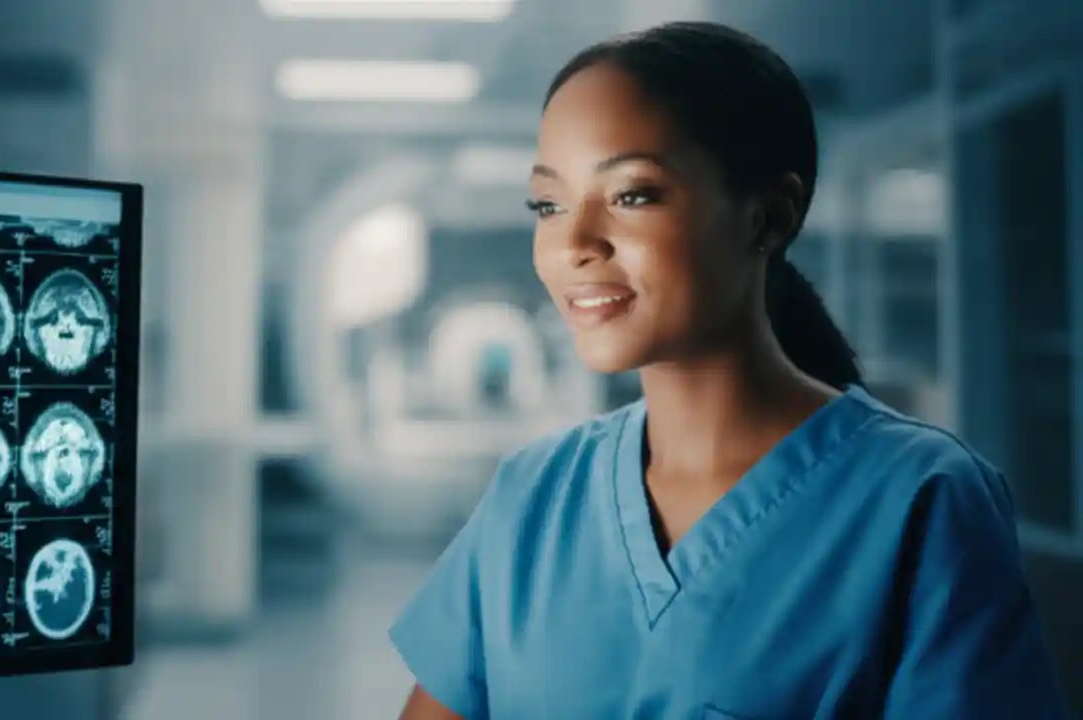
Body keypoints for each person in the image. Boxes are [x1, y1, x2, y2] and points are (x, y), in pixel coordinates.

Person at [389, 21, 1070, 720]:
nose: (574, 244)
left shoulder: (918, 501)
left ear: (770, 216)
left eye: (632, 195)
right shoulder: (533, 498)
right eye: (548, 205)